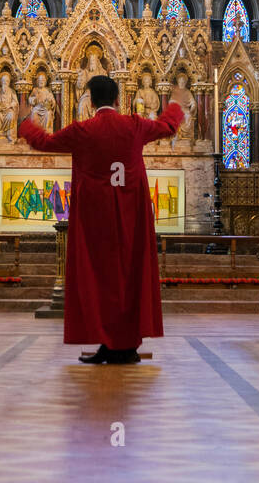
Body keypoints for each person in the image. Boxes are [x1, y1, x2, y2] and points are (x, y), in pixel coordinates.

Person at [18, 74, 184, 364]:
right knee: (130, 277)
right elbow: (168, 127)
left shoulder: (83, 129)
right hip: (131, 215)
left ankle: (109, 343)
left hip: (96, 220)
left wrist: (24, 123)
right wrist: (176, 104)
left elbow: (44, 142)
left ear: (90, 101)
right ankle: (127, 344)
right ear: (118, 99)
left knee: (101, 279)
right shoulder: (134, 125)